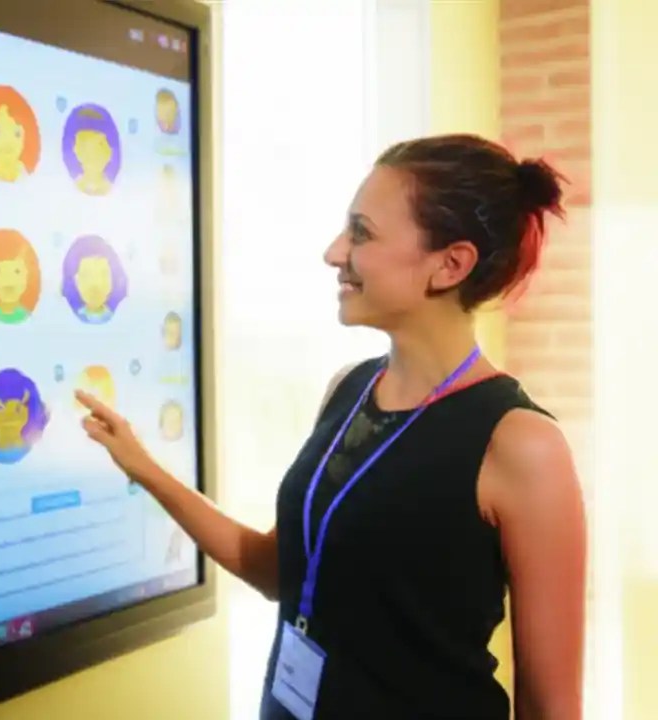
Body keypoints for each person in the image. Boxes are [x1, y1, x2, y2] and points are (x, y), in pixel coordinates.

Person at [76, 134, 586, 719]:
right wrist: (143, 466)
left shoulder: (520, 444)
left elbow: (552, 708)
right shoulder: (348, 389)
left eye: (362, 233)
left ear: (450, 264)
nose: (334, 251)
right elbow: (279, 571)